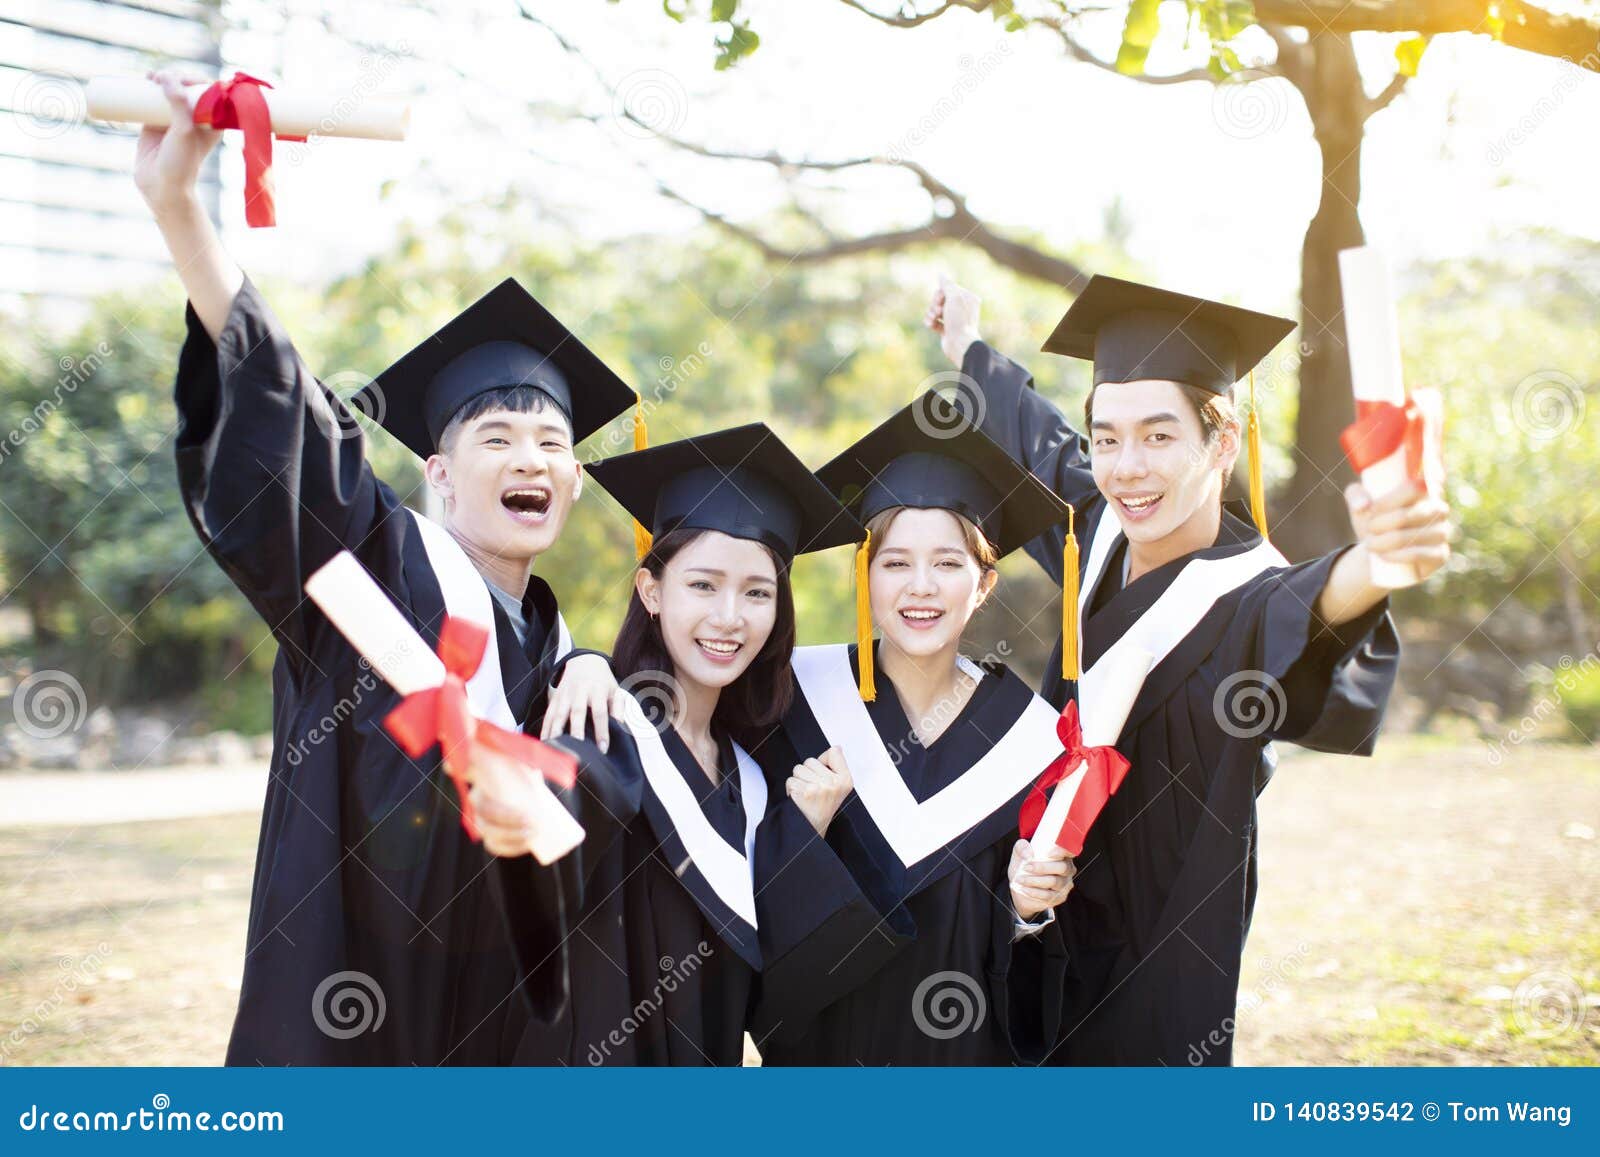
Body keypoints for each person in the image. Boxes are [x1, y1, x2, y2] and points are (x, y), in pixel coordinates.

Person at [137, 69, 631, 1064]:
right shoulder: (372, 567)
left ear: (574, 484)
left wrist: (595, 666)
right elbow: (297, 431)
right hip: (347, 1015)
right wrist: (183, 210)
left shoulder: (568, 660)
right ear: (439, 473)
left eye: (551, 444)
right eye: (498, 436)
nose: (530, 456)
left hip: (502, 1037)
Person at [925, 272, 1452, 1065]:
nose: (1126, 466)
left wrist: (1381, 560)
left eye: (1159, 435)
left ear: (1224, 439)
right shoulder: (1094, 529)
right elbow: (1029, 431)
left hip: (1162, 931)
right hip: (1039, 891)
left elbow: (1313, 604)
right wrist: (964, 341)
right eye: (1107, 436)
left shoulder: (1246, 592)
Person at [464, 423, 882, 1065]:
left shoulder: (750, 779)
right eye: (703, 585)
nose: (729, 618)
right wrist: (577, 662)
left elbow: (769, 998)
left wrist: (804, 832)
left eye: (758, 593)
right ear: (651, 590)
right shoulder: (601, 729)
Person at [749, 394, 1079, 1065]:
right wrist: (800, 833)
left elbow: (1053, 970)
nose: (919, 587)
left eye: (949, 563)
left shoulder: (1032, 740)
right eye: (894, 562)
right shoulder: (790, 699)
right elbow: (743, 913)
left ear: (983, 584)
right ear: (864, 575)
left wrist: (1026, 910)